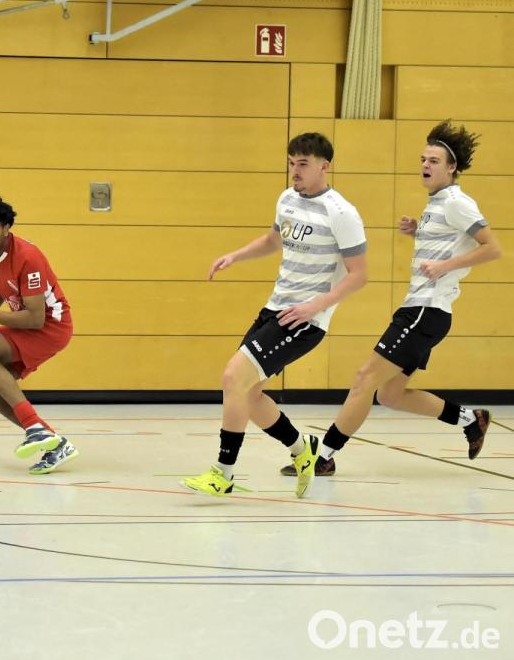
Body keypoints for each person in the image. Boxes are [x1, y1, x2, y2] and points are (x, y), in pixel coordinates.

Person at [280, 121, 501, 478]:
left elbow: (492, 248)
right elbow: (449, 239)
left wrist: (446, 264)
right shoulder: (439, 202)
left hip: (424, 311)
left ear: (452, 168)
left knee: (364, 379)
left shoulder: (458, 202)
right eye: (423, 159)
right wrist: (421, 230)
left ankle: (324, 457)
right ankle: (470, 420)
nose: (425, 166)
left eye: (434, 160)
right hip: (423, 311)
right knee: (391, 395)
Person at [182, 133, 368, 499]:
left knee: (232, 377)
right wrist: (235, 255)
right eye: (291, 162)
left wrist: (317, 306)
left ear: (324, 166)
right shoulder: (287, 199)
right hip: (275, 308)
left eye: (303, 164)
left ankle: (223, 474)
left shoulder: (342, 213)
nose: (294, 171)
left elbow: (359, 275)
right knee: (249, 396)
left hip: (304, 320)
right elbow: (273, 240)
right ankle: (303, 451)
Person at [0, 195, 78, 475]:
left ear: (7, 228)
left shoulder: (28, 257)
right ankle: (53, 442)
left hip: (51, 326)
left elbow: (35, 318)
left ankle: (35, 429)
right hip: (28, 323)